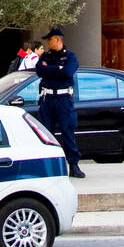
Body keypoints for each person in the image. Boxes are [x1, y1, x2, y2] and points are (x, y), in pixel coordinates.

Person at [35, 27, 84, 179]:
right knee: (46, 134)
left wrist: (50, 69)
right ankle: (46, 166)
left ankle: (74, 166)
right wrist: (57, 68)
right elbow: (39, 71)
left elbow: (68, 72)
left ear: (57, 39)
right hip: (48, 100)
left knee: (67, 132)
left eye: (49, 40)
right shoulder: (45, 56)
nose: (47, 43)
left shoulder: (70, 57)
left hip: (63, 100)